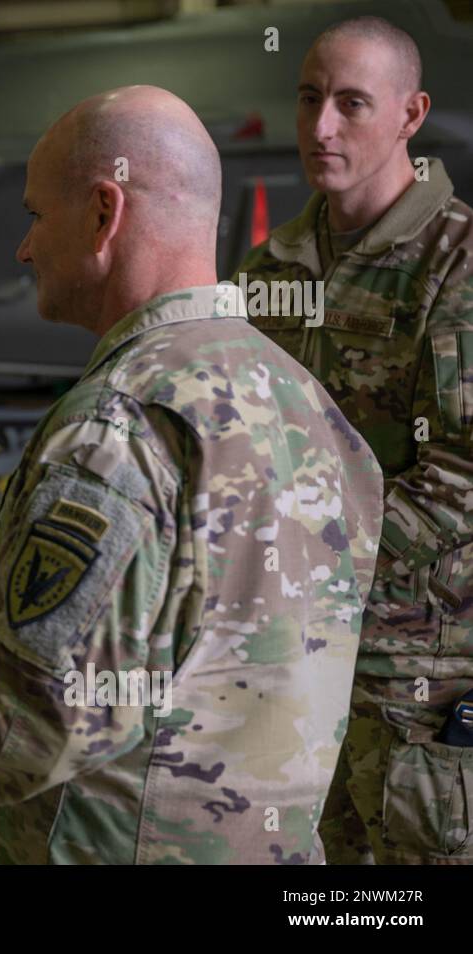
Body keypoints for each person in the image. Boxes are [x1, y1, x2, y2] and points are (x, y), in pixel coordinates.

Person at [0, 86, 384, 864]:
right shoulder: (308, 404)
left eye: (35, 216)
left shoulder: (118, 423)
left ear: (103, 214)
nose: (24, 249)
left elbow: (24, 734)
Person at [233, 16, 473, 864]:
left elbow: (462, 471)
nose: (321, 126)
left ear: (412, 114)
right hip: (286, 678)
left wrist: (300, 564)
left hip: (417, 677)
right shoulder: (266, 276)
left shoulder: (458, 264)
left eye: (351, 104)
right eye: (308, 99)